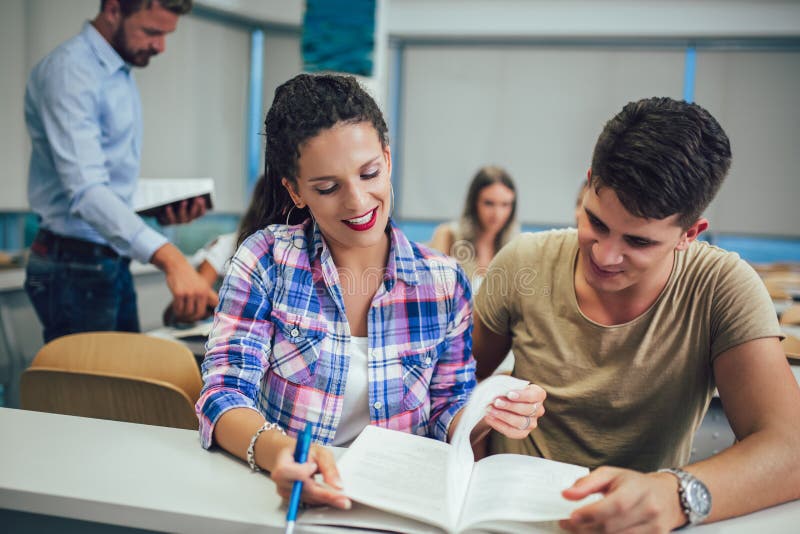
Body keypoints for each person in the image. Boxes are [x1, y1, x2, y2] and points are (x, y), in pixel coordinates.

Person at [195, 73, 546, 509]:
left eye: (369, 173)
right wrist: (281, 453)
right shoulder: (266, 259)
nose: (358, 202)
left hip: (398, 507)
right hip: (286, 495)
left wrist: (484, 414)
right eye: (328, 187)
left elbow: (445, 410)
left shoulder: (443, 282)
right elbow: (224, 393)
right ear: (294, 190)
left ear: (387, 158)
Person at [473, 97, 800, 532]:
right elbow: (449, 388)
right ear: (588, 185)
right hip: (504, 513)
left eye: (639, 242)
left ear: (689, 234)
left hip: (636, 523)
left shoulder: (722, 287)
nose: (605, 256)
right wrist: (472, 424)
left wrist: (676, 493)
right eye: (597, 222)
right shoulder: (522, 263)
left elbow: (791, 449)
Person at [23, 0, 217, 343]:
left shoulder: (117, 73)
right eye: (152, 32)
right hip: (73, 266)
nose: (160, 46)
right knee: (88, 393)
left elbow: (106, 183)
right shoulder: (71, 72)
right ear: (113, 9)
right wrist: (170, 258)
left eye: (166, 34)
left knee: (121, 388)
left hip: (108, 261)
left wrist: (158, 214)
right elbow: (87, 192)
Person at [429, 166, 519, 292]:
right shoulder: (448, 235)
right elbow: (432, 291)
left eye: (505, 204)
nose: (497, 214)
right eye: (489, 203)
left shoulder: (515, 248)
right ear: (474, 202)